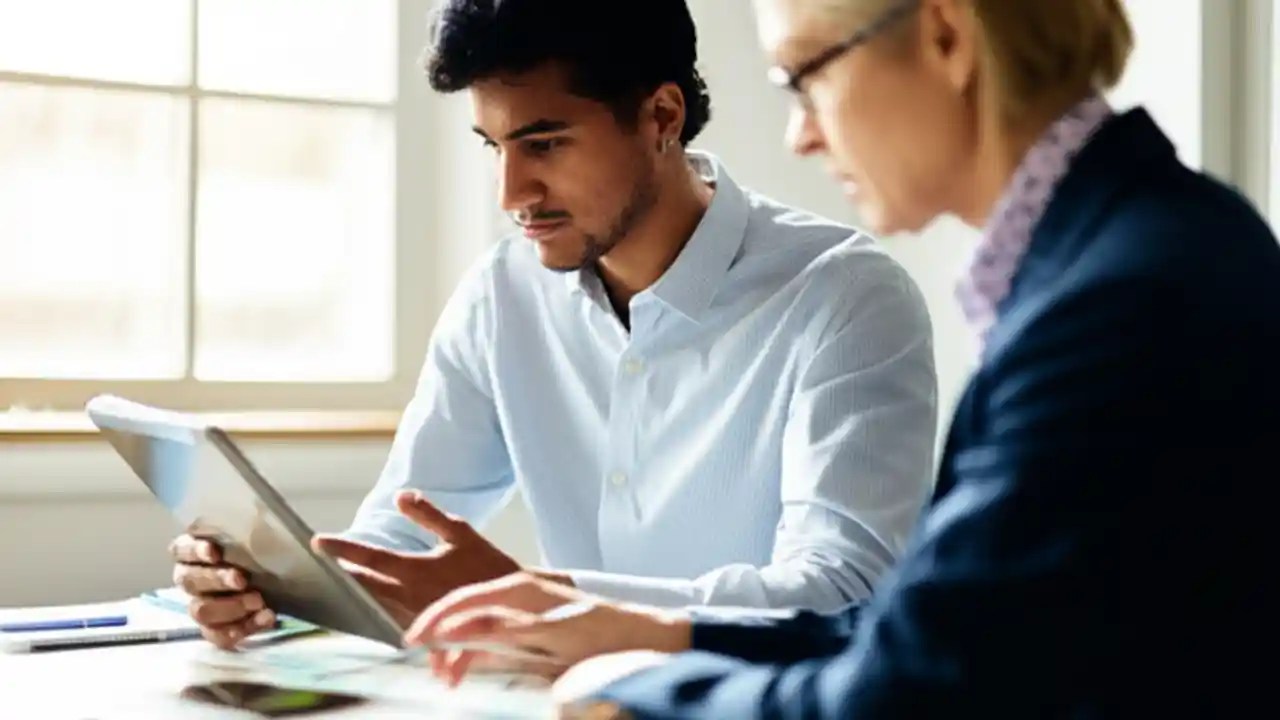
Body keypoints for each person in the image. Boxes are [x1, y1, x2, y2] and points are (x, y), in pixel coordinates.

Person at [405, 0, 1280, 715]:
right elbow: (930, 631)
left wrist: (632, 682)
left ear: (945, 36)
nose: (801, 138)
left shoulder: (1117, 303)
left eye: (806, 77)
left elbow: (911, 695)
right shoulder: (1128, 253)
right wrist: (649, 633)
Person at [168, 0, 938, 649]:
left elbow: (843, 595)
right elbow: (404, 542)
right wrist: (269, 591)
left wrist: (544, 595)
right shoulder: (500, 297)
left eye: (543, 144)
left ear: (661, 116)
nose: (512, 192)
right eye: (493, 147)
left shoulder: (846, 297)